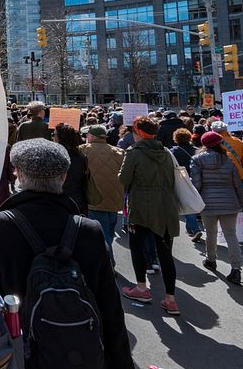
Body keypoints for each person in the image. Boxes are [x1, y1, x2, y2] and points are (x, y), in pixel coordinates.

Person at [0, 138, 135, 369]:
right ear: (63, 177)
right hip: (79, 354)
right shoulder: (89, 229)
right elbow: (110, 308)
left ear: (18, 175)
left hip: (21, 356)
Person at [118, 116, 181, 315]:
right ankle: (171, 299)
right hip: (166, 206)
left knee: (137, 247)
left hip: (142, 207)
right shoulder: (166, 152)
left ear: (137, 133)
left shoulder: (134, 153)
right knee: (165, 253)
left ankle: (141, 288)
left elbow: (124, 179)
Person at [190, 131, 243, 285]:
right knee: (231, 235)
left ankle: (211, 259)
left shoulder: (197, 160)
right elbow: (237, 183)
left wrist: (196, 202)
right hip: (229, 201)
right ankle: (236, 269)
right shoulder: (228, 160)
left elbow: (196, 183)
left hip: (208, 201)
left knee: (210, 232)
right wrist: (241, 202)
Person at [81, 124, 126, 263]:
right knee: (109, 233)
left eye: (87, 135)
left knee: (102, 235)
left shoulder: (83, 150)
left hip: (95, 198)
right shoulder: (118, 151)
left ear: (92, 136)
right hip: (115, 198)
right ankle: (106, 258)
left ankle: (108, 264)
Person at [170, 128, 203, 240]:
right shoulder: (197, 149)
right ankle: (192, 229)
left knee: (186, 204)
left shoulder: (174, 151)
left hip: (182, 180)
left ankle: (194, 229)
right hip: (197, 178)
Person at [53, 123, 87, 215]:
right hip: (78, 200)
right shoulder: (81, 156)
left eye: (54, 134)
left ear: (60, 137)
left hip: (59, 202)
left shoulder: (55, 156)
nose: (53, 137)